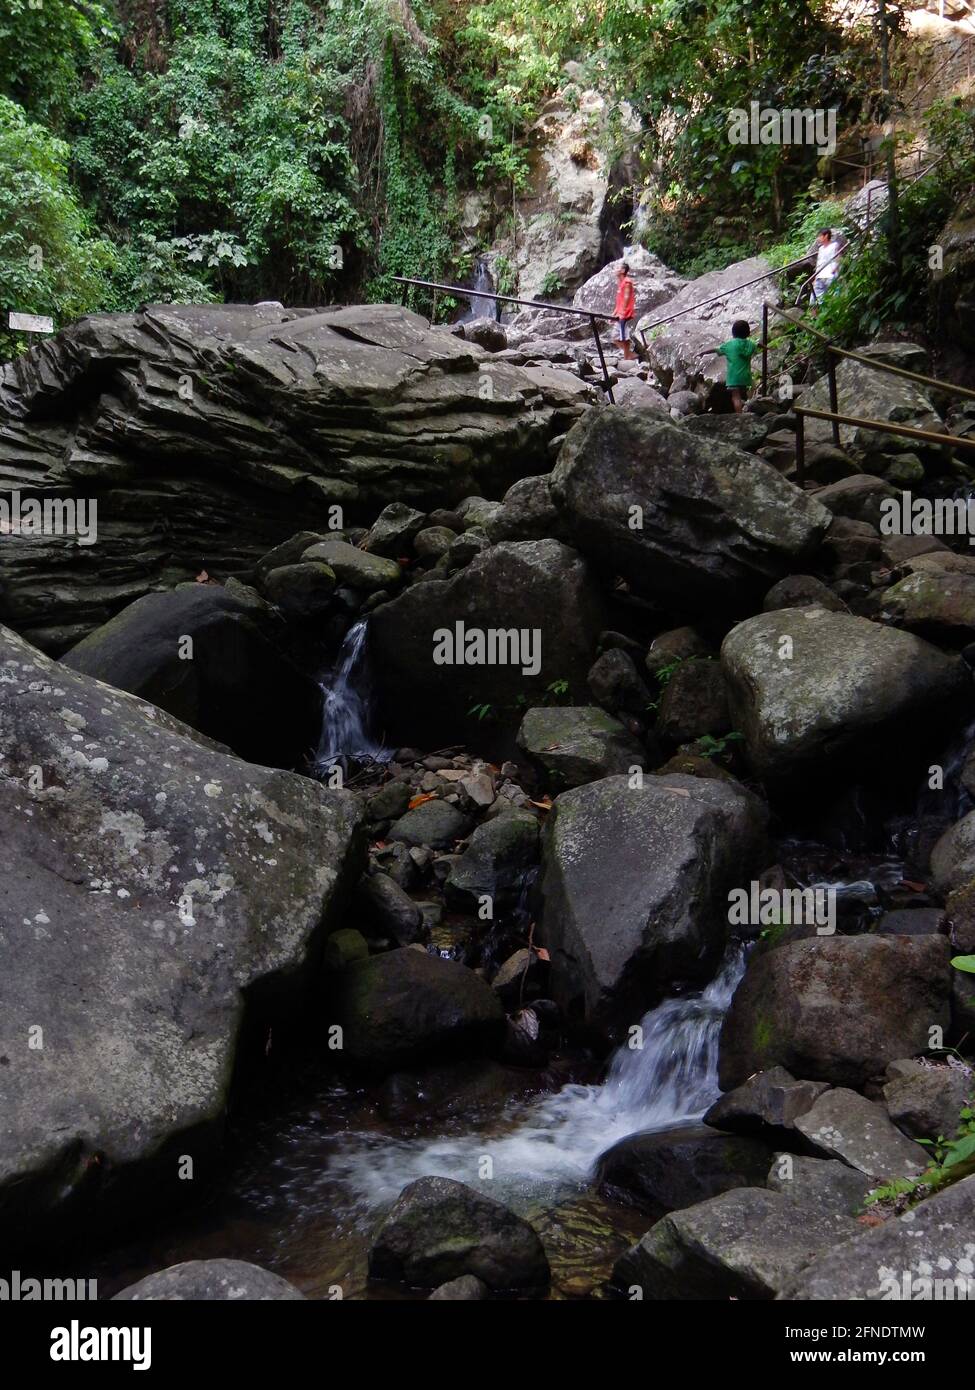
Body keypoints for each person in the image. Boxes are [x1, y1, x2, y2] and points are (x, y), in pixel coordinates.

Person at [700, 319, 759, 412]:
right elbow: (758, 344)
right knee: (750, 391)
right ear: (748, 333)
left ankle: (739, 415)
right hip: (746, 376)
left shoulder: (729, 345)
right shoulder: (750, 344)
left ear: (733, 333)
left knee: (736, 397)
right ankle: (751, 406)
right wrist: (767, 348)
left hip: (734, 377)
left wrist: (703, 353)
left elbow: (715, 349)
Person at [810, 227, 842, 312]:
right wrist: (815, 277)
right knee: (813, 300)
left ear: (826, 236)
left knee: (833, 299)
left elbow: (838, 259)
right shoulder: (820, 248)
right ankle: (814, 321)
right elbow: (819, 263)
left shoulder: (835, 245)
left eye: (820, 236)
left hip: (831, 276)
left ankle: (833, 320)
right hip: (820, 276)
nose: (818, 238)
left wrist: (835, 270)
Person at [614, 262, 637, 360]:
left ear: (623, 271)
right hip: (620, 313)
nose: (615, 269)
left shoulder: (627, 282)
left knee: (622, 337)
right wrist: (614, 313)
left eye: (617, 267)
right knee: (617, 337)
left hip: (625, 313)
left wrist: (622, 312)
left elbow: (627, 297)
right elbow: (620, 300)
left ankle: (628, 356)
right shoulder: (621, 282)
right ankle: (628, 354)